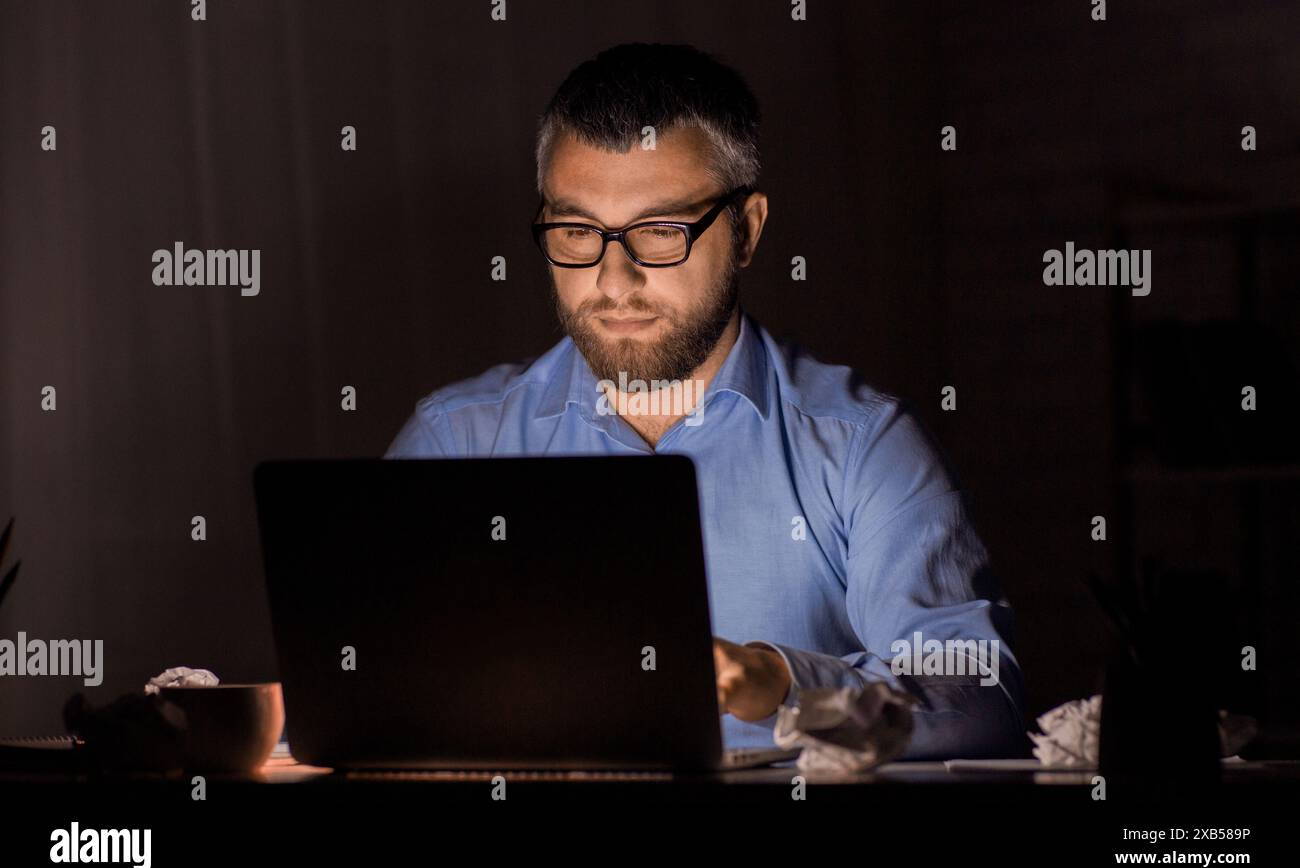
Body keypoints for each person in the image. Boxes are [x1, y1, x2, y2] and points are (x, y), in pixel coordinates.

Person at [386, 42, 1026, 758]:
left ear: (747, 231)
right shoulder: (453, 443)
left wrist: (784, 683)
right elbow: (365, 685)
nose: (614, 278)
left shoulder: (860, 444)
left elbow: (980, 690)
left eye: (661, 232)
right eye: (576, 232)